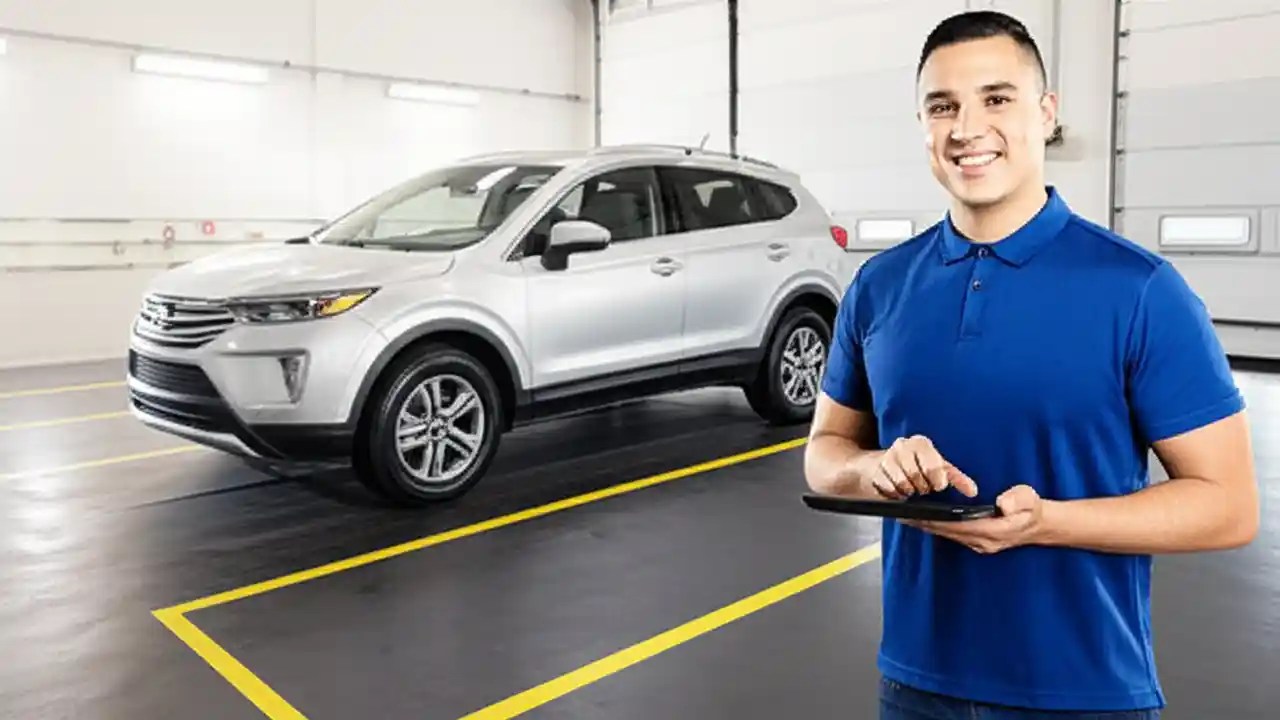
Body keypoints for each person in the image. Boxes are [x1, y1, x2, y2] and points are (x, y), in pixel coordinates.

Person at [804, 10, 1259, 720]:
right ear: (922, 124)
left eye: (996, 98)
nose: (966, 127)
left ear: (1045, 114)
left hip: (1086, 691)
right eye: (942, 106)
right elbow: (825, 457)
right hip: (916, 686)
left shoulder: (1138, 289)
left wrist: (1046, 522)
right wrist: (876, 470)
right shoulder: (880, 287)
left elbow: (1228, 505)